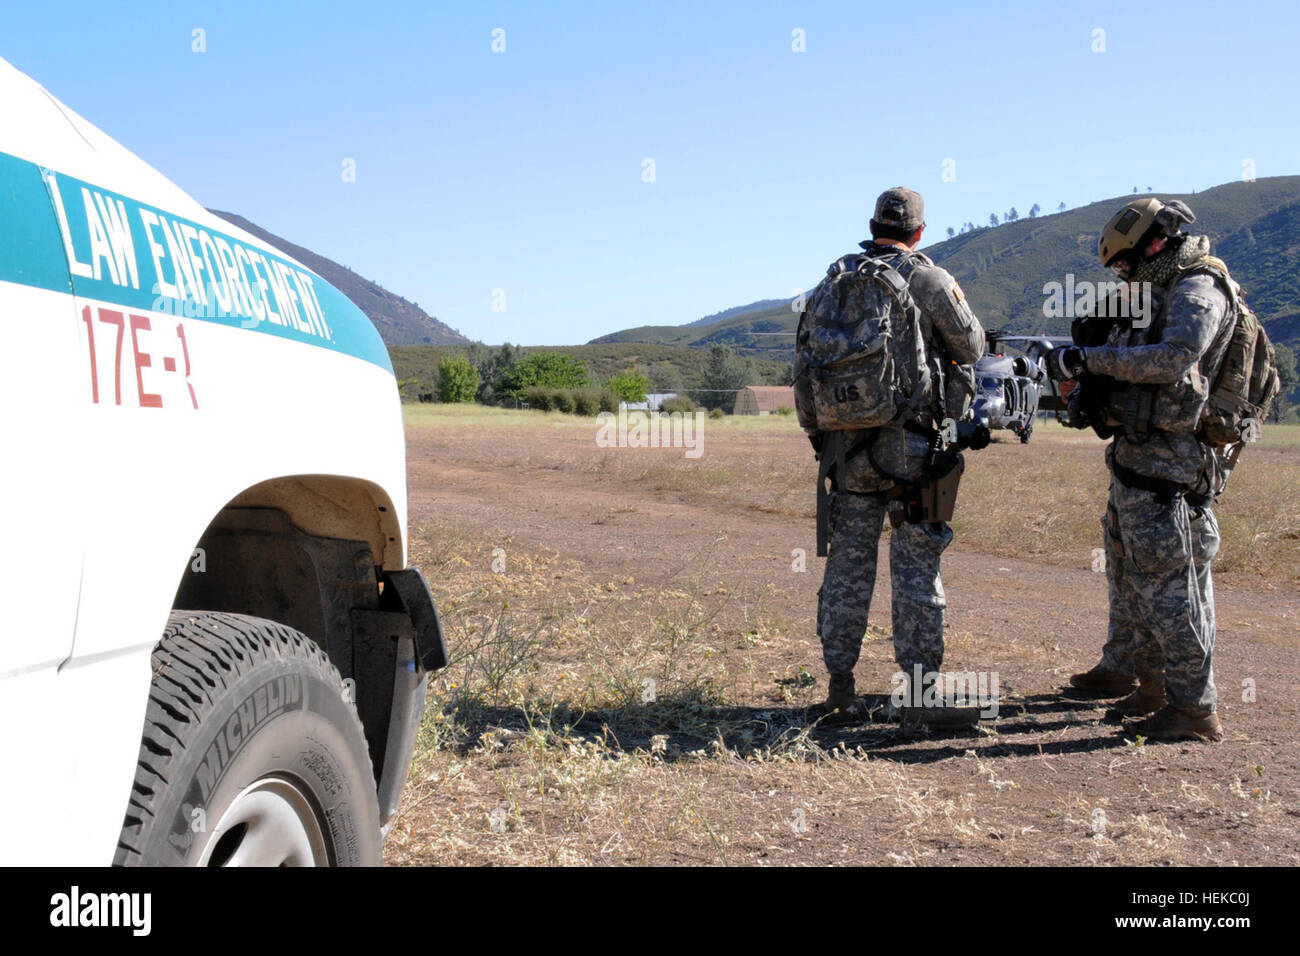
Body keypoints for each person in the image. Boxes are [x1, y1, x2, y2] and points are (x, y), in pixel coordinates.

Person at [1047, 197, 1236, 742]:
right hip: (1137, 457)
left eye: (1127, 264)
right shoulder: (1157, 290)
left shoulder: (1199, 289)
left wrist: (1090, 362)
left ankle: (1196, 709)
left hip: (1172, 466)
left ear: (1155, 244)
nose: (1125, 275)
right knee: (1136, 580)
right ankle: (1151, 687)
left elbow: (1176, 356)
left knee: (1172, 588)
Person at [795, 187, 985, 724]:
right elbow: (970, 348)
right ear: (919, 232)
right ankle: (920, 699)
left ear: (872, 224)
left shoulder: (828, 285)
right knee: (916, 569)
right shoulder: (930, 280)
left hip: (846, 450)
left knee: (848, 569)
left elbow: (802, 374)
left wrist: (823, 441)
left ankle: (839, 686)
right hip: (914, 453)